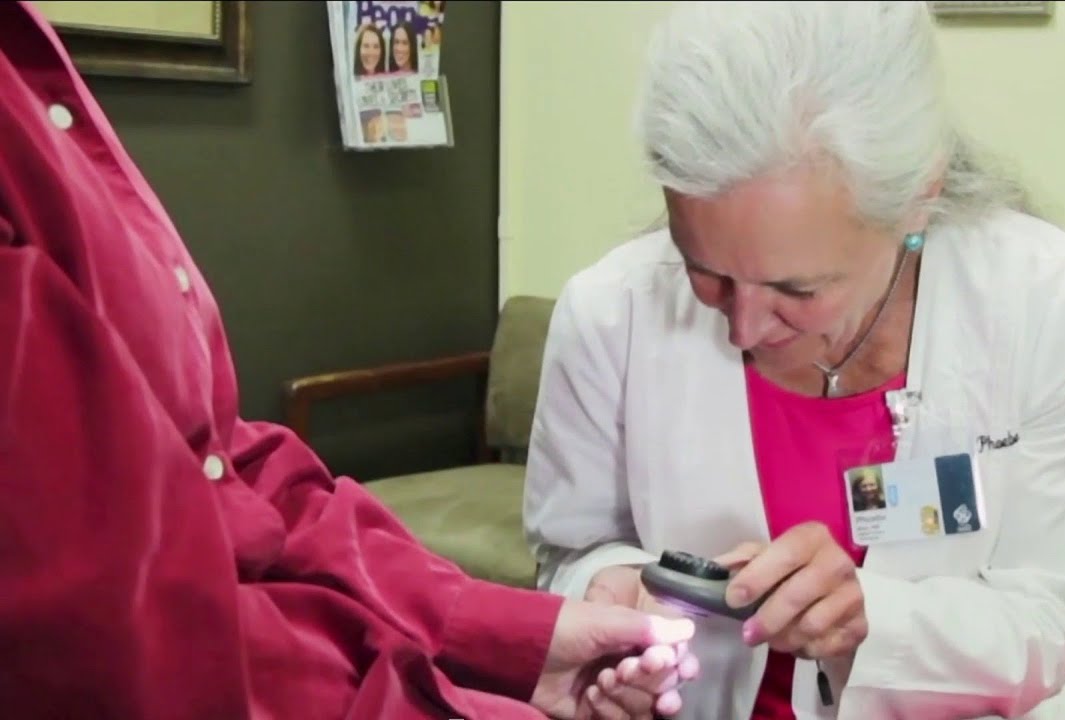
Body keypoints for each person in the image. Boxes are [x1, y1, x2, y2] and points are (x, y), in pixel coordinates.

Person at [0, 3, 699, 719]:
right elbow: (104, 642)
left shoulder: (31, 71)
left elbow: (225, 468)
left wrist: (513, 638)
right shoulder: (610, 302)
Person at [523, 2, 1065, 719]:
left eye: (797, 290)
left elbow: (1051, 618)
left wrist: (871, 621)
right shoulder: (608, 313)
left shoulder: (1041, 299)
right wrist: (612, 592)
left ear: (918, 199)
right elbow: (570, 553)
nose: (743, 327)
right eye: (705, 272)